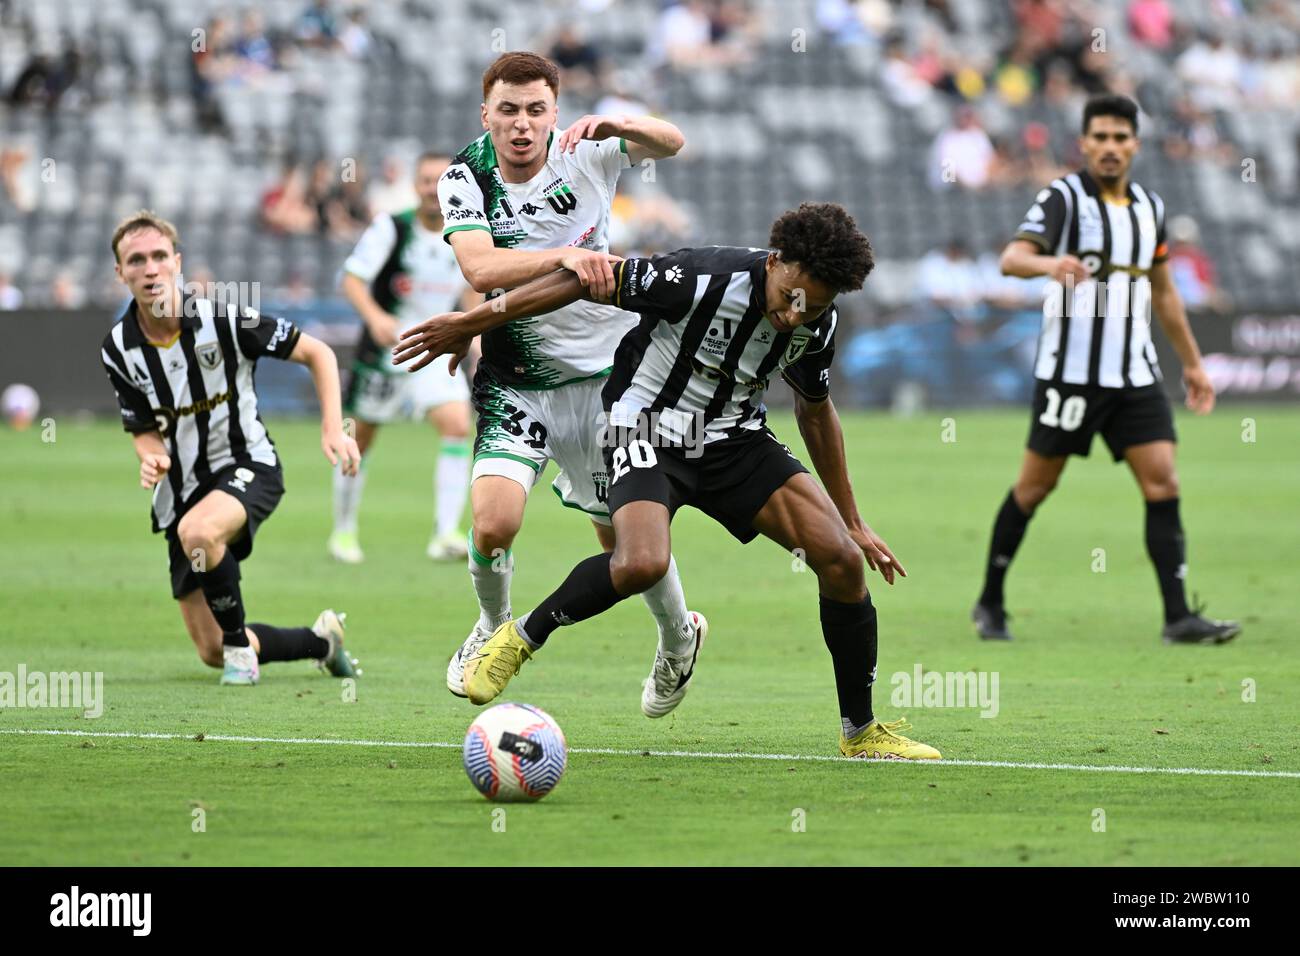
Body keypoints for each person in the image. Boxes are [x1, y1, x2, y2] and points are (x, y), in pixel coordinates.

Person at [395, 202, 940, 760]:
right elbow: (580, 280)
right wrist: (469, 324)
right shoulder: (698, 277)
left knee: (843, 562)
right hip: (645, 427)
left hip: (733, 439)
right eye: (790, 298)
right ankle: (522, 636)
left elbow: (816, 410)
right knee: (640, 563)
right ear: (775, 262)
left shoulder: (817, 320)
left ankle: (861, 732)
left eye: (814, 306)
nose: (796, 316)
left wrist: (853, 520)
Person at [433, 52, 704, 716]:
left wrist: (622, 122)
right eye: (507, 110)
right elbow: (480, 264)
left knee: (625, 547)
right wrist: (567, 256)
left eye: (534, 110)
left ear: (554, 111)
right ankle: (492, 626)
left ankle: (678, 639)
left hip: (612, 383)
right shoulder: (465, 176)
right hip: (517, 380)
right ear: (485, 113)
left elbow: (674, 142)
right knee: (493, 525)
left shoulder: (589, 151)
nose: (521, 125)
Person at [971, 95, 1240, 645]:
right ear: (1085, 143)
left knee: (1163, 481)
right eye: (1101, 137)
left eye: (1121, 137)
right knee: (1035, 487)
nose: (1111, 147)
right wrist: (1051, 263)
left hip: (1135, 373)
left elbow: (1163, 292)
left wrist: (1192, 364)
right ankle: (990, 600)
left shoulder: (1150, 207)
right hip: (1070, 374)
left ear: (1135, 145)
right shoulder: (1064, 198)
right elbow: (1011, 259)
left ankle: (1177, 617)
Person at [99, 210, 362, 685]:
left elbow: (317, 352)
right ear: (121, 273)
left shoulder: (222, 317)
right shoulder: (117, 348)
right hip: (181, 492)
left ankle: (242, 648)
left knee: (200, 534)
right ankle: (322, 642)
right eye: (136, 260)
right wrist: (150, 456)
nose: (150, 268)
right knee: (210, 649)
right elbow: (140, 425)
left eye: (160, 256)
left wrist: (332, 428)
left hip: (249, 464)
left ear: (177, 263)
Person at [329, 152, 481, 563]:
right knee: (359, 440)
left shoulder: (466, 230)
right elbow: (353, 278)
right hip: (387, 349)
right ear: (415, 185)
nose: (433, 189)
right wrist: (376, 317)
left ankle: (445, 532)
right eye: (426, 180)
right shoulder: (391, 227)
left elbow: (471, 287)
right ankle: (343, 531)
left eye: (440, 180)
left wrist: (476, 337)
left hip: (435, 345)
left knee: (456, 425)